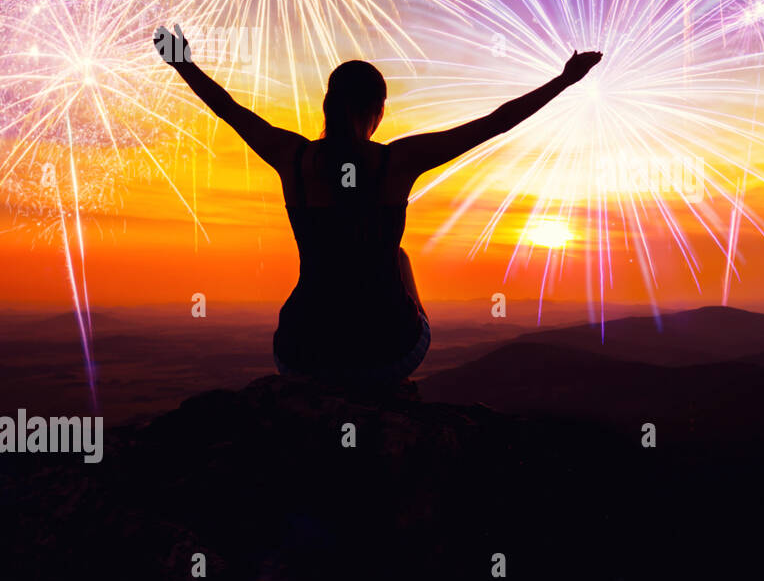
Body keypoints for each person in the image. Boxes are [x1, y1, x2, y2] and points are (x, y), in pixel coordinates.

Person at [153, 24, 602, 392]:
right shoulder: (397, 161)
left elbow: (229, 109)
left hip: (300, 354)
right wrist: (564, 80)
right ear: (378, 110)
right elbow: (496, 122)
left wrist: (181, 62)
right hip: (387, 355)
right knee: (399, 257)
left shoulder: (293, 156)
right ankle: (394, 387)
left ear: (326, 106)